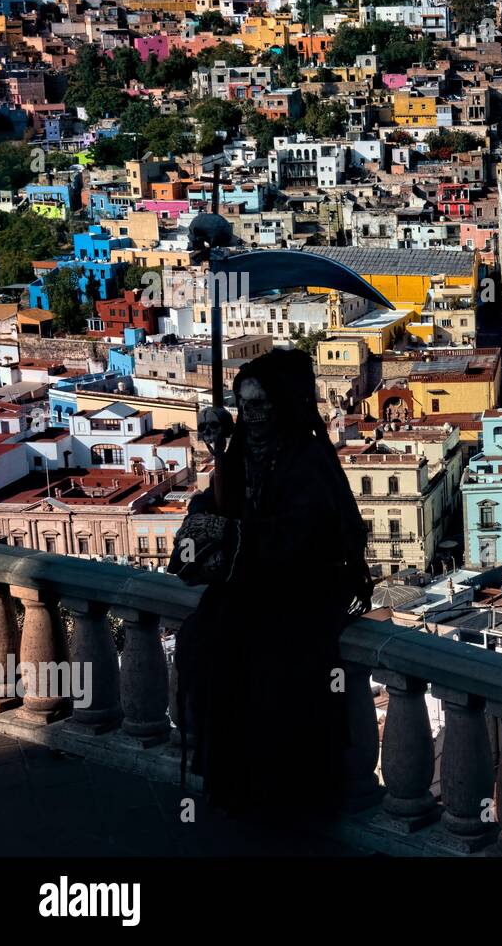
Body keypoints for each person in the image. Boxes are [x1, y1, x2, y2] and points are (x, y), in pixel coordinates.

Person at [170, 348, 372, 818]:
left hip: (302, 590)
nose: (253, 417)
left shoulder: (307, 461)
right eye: (245, 406)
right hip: (254, 582)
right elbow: (216, 499)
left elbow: (302, 536)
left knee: (272, 671)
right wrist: (205, 514)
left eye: (261, 405)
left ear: (282, 403)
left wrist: (234, 533)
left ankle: (282, 800)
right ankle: (234, 785)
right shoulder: (241, 448)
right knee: (203, 641)